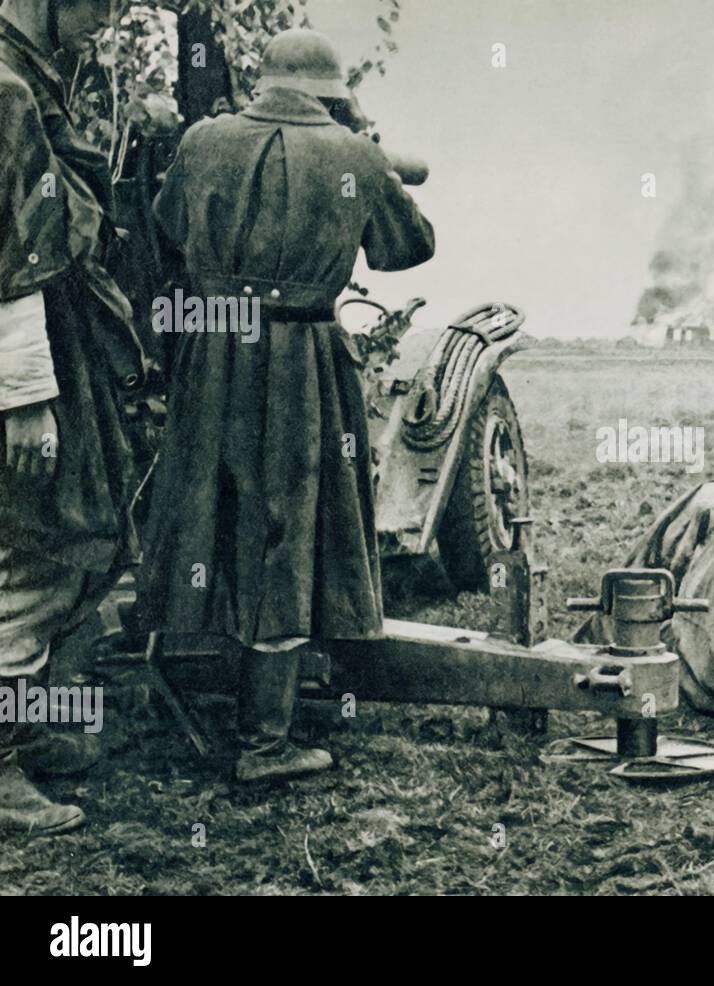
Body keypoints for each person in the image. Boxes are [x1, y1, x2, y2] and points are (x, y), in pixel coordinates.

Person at [137, 28, 435, 784]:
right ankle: (264, 742)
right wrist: (364, 152)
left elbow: (168, 225)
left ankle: (188, 678)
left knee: (207, 507)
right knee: (289, 528)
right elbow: (408, 248)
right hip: (302, 360)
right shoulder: (353, 154)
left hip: (212, 350)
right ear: (331, 94)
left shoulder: (204, 140)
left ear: (263, 82)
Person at [0, 0, 142, 835]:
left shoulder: (31, 81)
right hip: (28, 365)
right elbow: (16, 257)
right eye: (96, 0)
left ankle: (25, 727)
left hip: (47, 354)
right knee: (39, 548)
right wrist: (25, 399)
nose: (108, 17)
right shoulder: (7, 91)